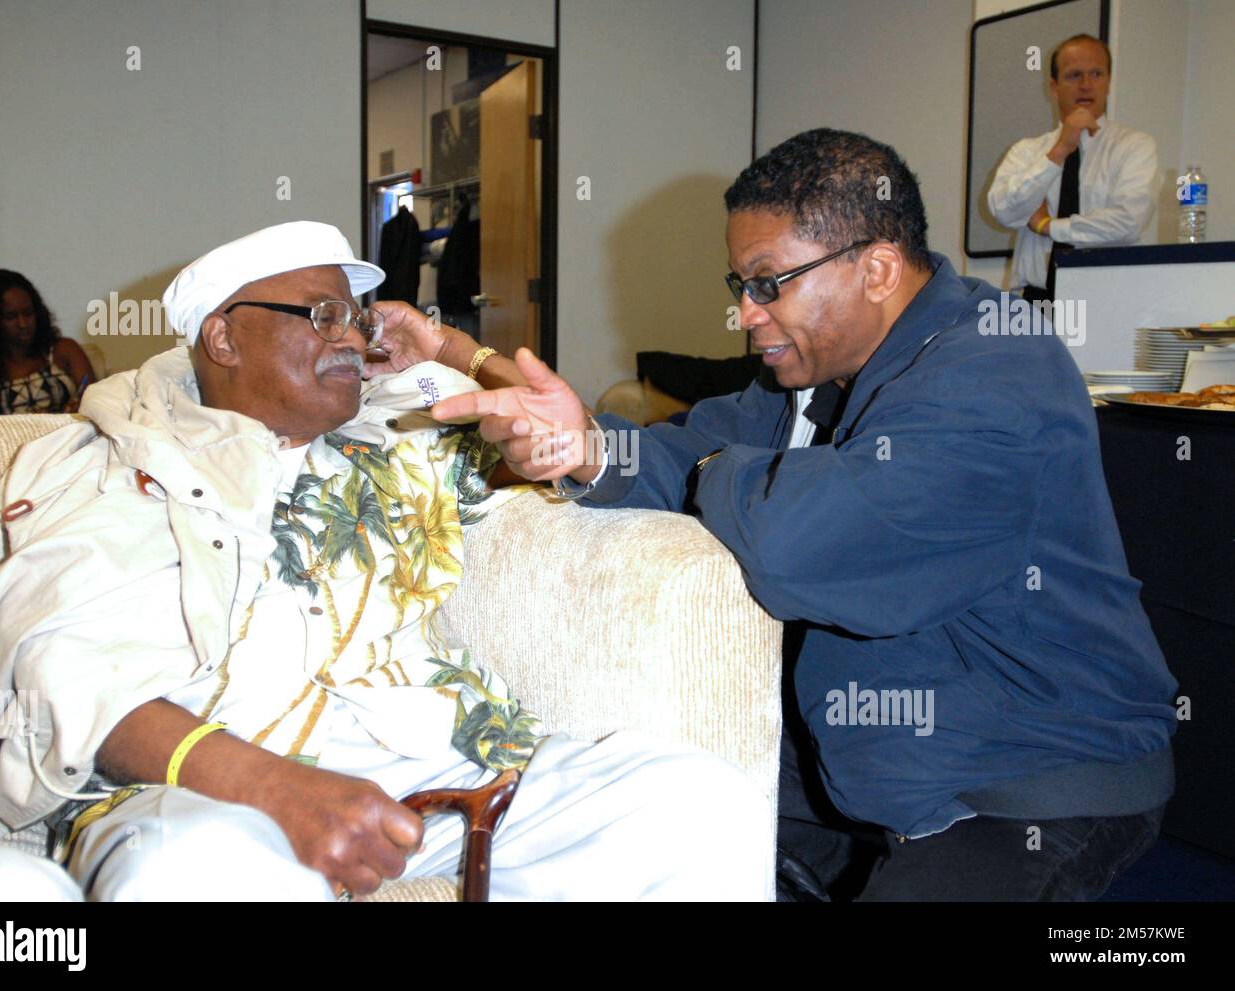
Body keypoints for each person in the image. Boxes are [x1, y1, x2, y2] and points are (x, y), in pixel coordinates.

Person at [431, 129, 1178, 901]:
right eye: (740, 285)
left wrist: (718, 472)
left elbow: (799, 546)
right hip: (870, 747)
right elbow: (683, 451)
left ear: (878, 268)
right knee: (635, 844)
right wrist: (584, 446)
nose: (747, 315)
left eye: (768, 283)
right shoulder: (815, 372)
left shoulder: (997, 369)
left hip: (1029, 773)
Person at [0, 221, 771, 902]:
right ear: (222, 336)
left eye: (357, 315)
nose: (354, 335)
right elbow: (52, 669)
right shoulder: (119, 460)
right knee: (187, 869)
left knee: (699, 804)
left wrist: (455, 348)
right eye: (322, 314)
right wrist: (270, 788)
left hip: (435, 777)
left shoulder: (393, 437)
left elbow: (559, 451)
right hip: (201, 792)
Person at [987, 34, 1158, 302]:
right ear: (1054, 87)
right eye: (1074, 75)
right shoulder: (1027, 151)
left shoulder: (1134, 146)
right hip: (1036, 302)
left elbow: (1128, 223)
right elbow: (1003, 211)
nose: (1086, 85)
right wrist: (1058, 152)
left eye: (1096, 74)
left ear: (1109, 82)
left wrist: (1048, 226)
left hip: (1107, 298)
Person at [0, 269, 95, 416]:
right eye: (10, 316)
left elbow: (99, 404)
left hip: (67, 436)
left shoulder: (64, 350)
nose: (23, 323)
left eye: (28, 313)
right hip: (4, 438)